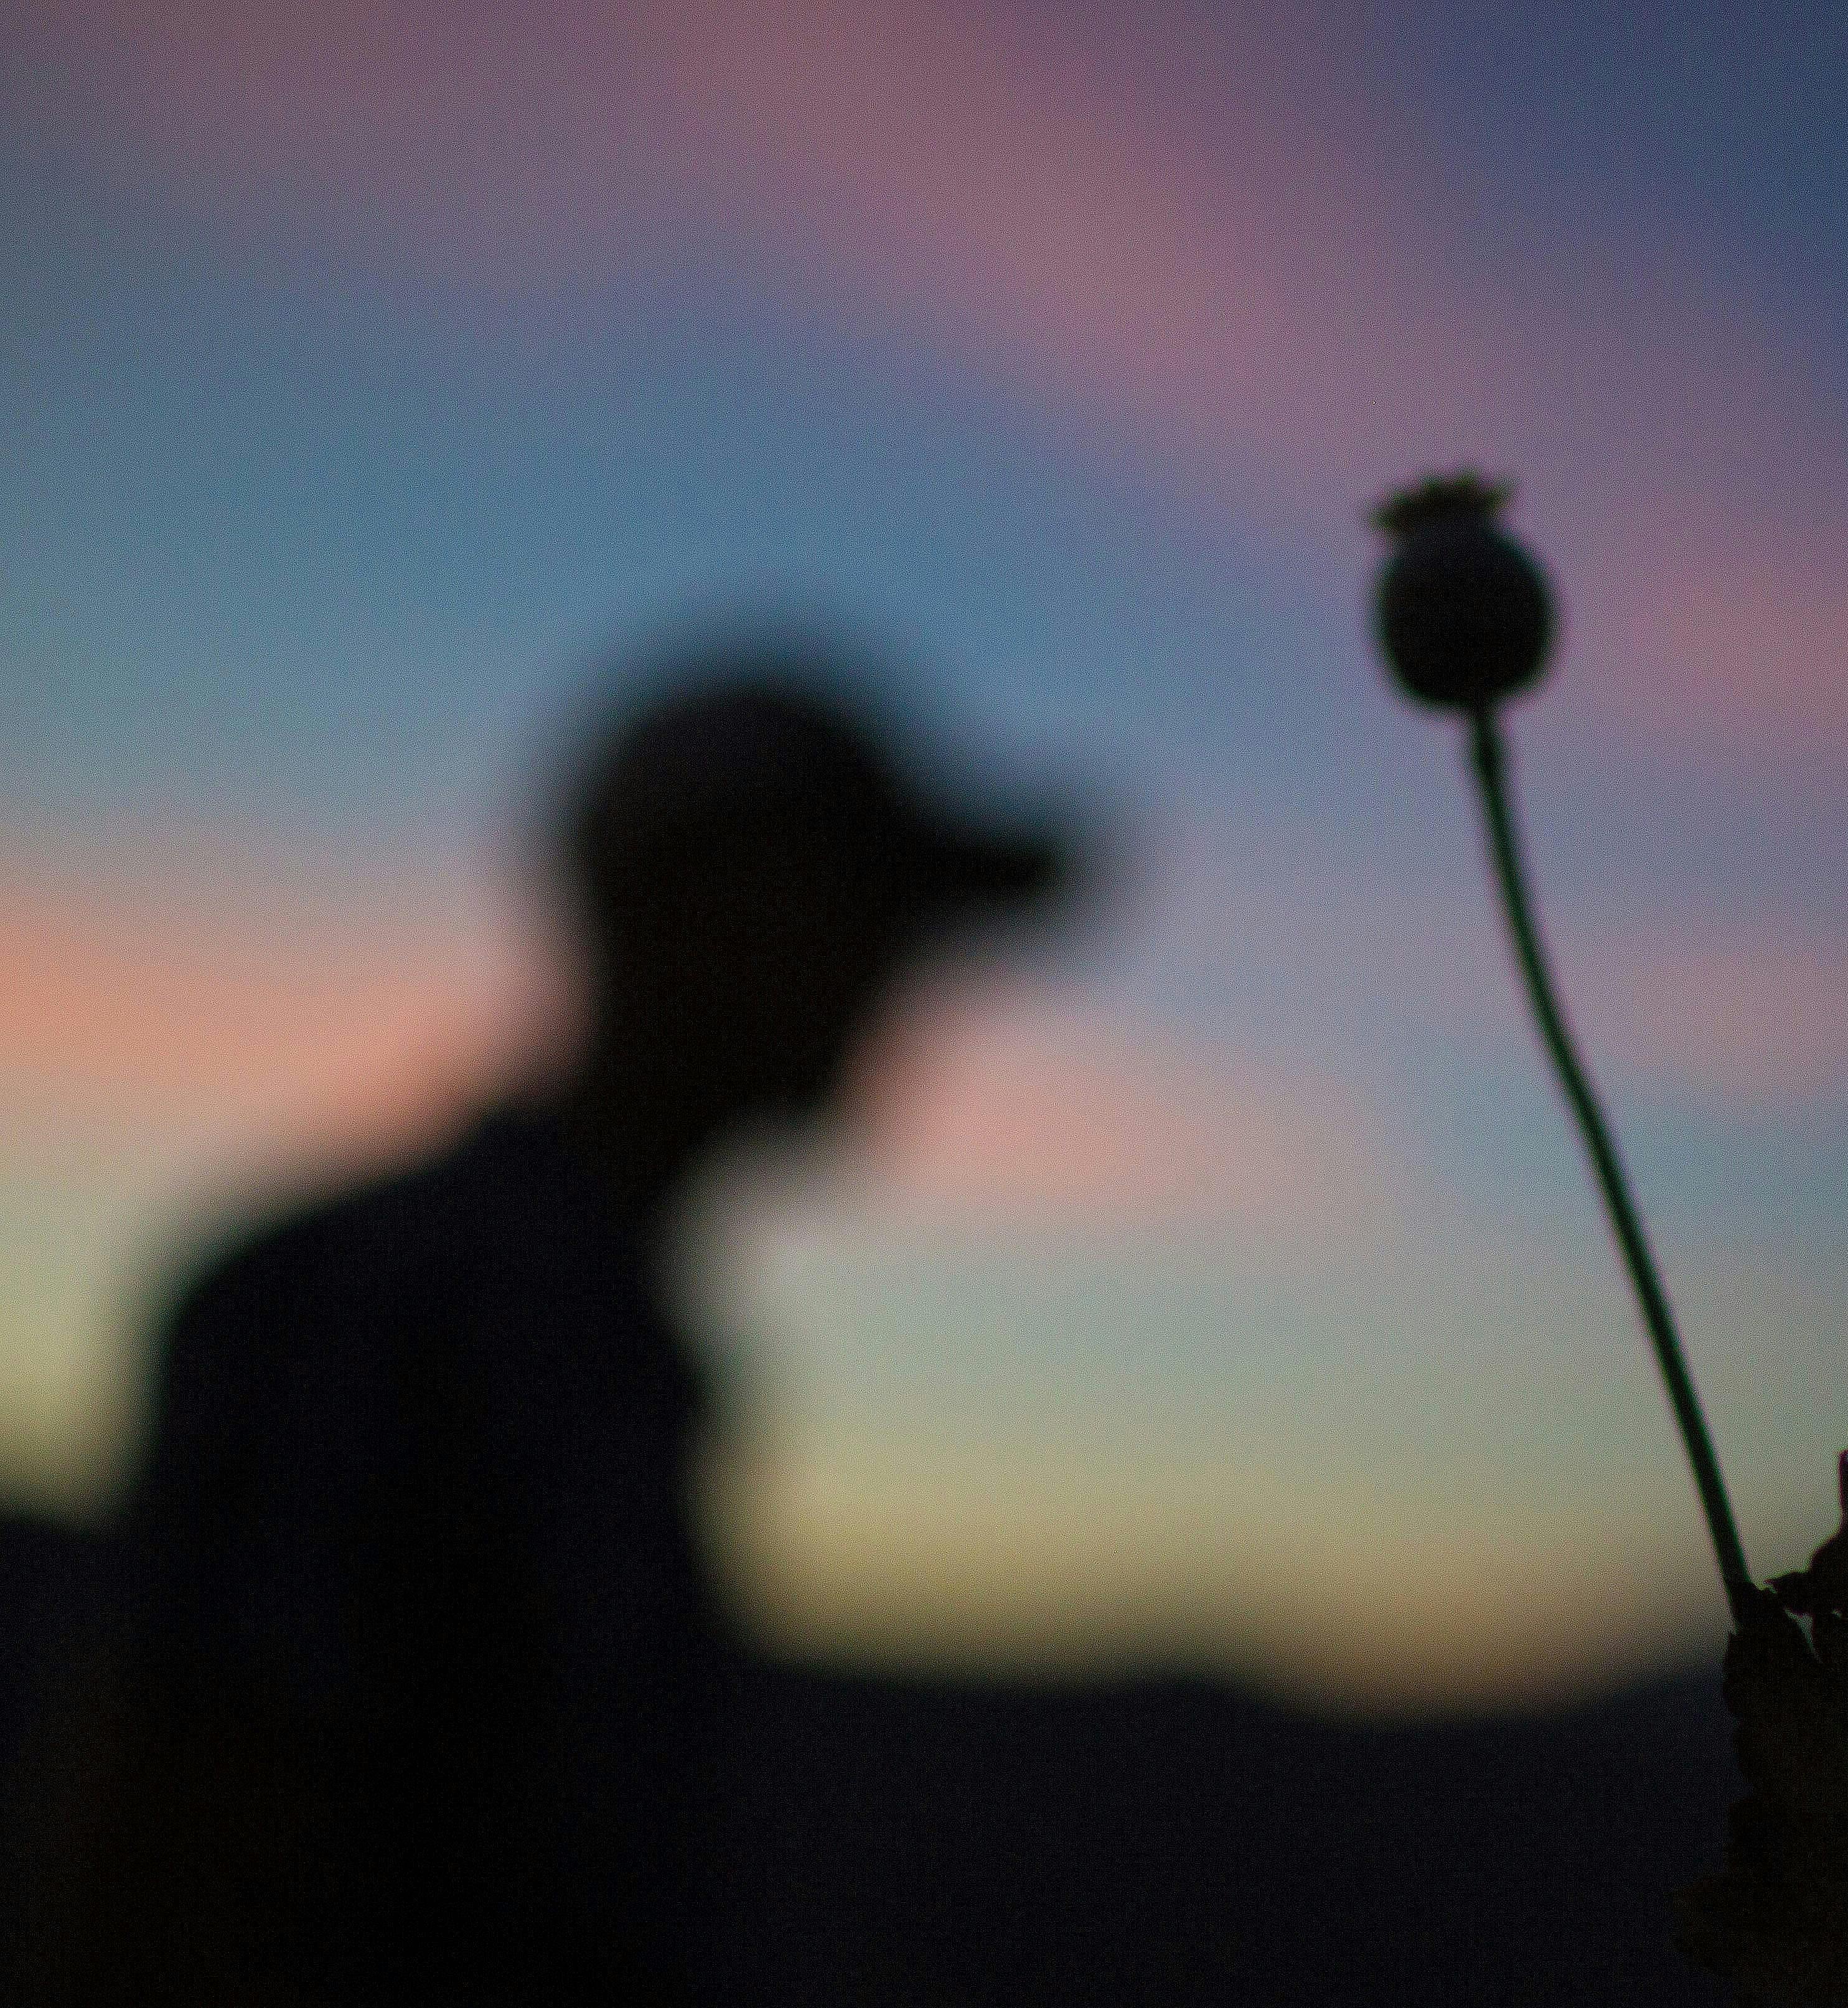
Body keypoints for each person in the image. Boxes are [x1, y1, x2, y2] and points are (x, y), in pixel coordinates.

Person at [12, 642, 1073, 2005]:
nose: (892, 980)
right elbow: (164, 1875)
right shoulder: (368, 1305)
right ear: (666, 907)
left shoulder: (612, 1349)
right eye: (849, 903)